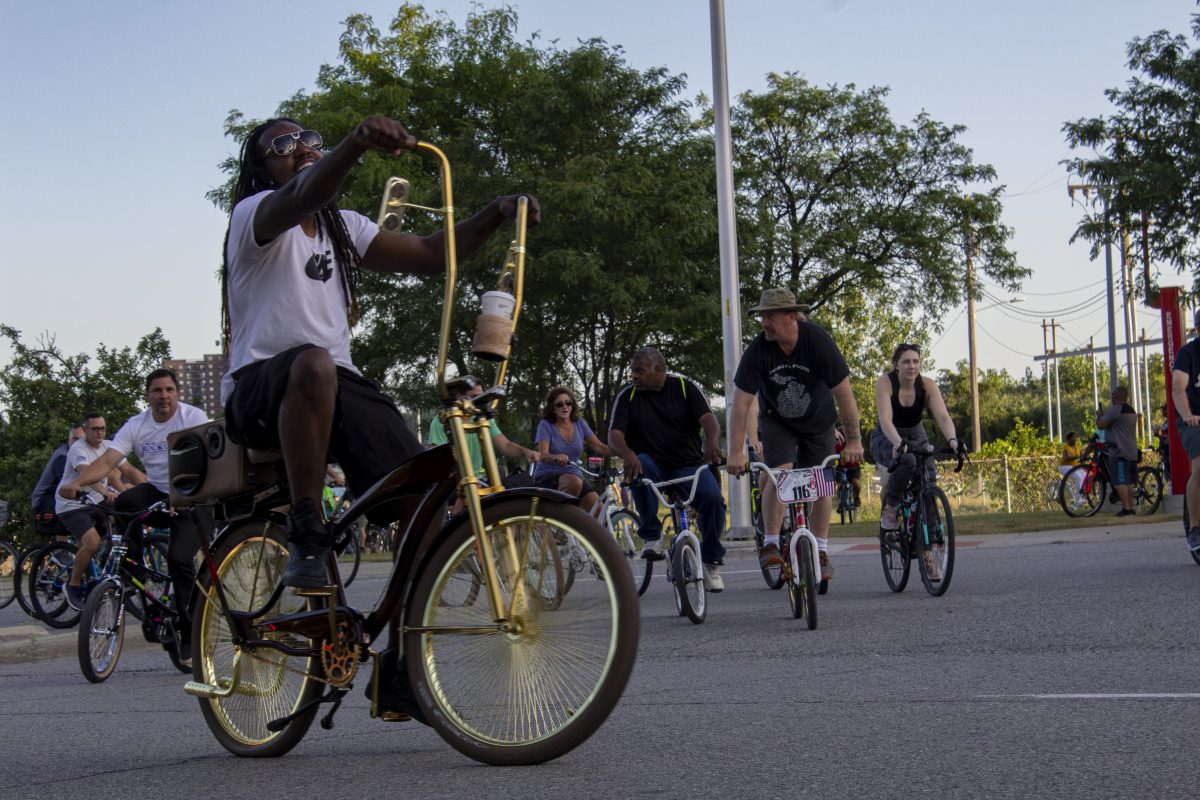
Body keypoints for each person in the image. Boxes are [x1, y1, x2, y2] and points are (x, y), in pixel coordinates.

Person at [217, 116, 539, 590]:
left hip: (335, 385)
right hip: (259, 392)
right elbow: (302, 196)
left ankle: (406, 632)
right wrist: (355, 144)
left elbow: (431, 254)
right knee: (313, 362)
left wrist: (496, 212)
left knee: (422, 486)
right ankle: (308, 534)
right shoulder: (255, 213)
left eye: (309, 140)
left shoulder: (343, 228)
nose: (301, 147)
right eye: (282, 145)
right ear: (262, 169)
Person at [727, 288, 864, 586]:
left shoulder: (817, 341)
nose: (764, 322)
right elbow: (740, 404)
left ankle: (821, 552)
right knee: (781, 474)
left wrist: (854, 441)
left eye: (770, 316)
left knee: (822, 479)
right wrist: (736, 450)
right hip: (778, 423)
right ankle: (772, 543)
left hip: (819, 422)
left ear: (791, 316)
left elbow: (844, 394)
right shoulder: (759, 350)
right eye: (762, 316)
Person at [61, 370, 208, 632]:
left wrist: (184, 495)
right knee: (125, 501)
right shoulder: (137, 425)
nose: (164, 396)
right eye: (157, 391)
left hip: (195, 497)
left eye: (169, 390)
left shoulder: (193, 418)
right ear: (148, 395)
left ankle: (190, 631)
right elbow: (107, 461)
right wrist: (76, 483)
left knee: (179, 560)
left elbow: (206, 460)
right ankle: (136, 569)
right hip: (159, 493)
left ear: (177, 392)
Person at [608, 347, 727, 591]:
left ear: (659, 370)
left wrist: (711, 441)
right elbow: (614, 435)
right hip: (652, 467)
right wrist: (627, 453)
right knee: (639, 464)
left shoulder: (684, 387)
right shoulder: (627, 396)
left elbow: (709, 420)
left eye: (640, 371)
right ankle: (652, 536)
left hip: (688, 466)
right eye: (633, 371)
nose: (634, 376)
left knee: (714, 499)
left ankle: (711, 561)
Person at [868, 343, 962, 579]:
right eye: (906, 362)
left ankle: (929, 556)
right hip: (887, 435)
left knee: (928, 484)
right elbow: (886, 420)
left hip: (916, 433)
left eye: (916, 361)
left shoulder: (927, 385)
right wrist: (898, 444)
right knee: (906, 462)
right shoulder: (885, 382)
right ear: (896, 366)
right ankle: (889, 511)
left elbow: (942, 415)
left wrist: (952, 440)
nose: (912, 366)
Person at [53, 414, 139, 609]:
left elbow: (128, 470)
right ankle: (73, 585)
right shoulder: (78, 449)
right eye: (95, 429)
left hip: (95, 502)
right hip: (72, 504)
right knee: (92, 542)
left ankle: (115, 567)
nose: (100, 432)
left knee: (127, 520)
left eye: (102, 428)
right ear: (86, 430)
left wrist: (148, 486)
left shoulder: (108, 446)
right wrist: (106, 491)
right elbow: (87, 474)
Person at [427, 374, 540, 479]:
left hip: (478, 481)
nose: (481, 403)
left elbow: (505, 445)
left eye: (482, 397)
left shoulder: (483, 418)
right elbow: (440, 461)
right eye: (475, 397)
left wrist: (526, 452)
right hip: (454, 482)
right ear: (460, 398)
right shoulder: (442, 421)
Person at [532, 385, 614, 512]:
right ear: (552, 408)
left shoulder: (579, 423)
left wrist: (623, 452)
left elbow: (599, 446)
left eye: (568, 403)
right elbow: (543, 455)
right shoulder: (546, 425)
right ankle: (559, 526)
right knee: (574, 483)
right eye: (559, 404)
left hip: (575, 475)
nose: (565, 407)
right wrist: (556, 457)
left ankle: (577, 529)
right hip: (548, 476)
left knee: (599, 512)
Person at [1172, 325, 1200, 550]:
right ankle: (1195, 528)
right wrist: (1188, 415)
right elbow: (1178, 388)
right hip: (1193, 419)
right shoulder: (1188, 354)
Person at [31, 422, 84, 535]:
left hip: (54, 498)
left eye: (81, 439)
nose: (77, 443)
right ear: (68, 440)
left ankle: (66, 549)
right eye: (75, 438)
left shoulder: (82, 454)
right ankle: (62, 551)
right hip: (44, 503)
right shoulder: (62, 456)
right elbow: (69, 481)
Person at [1096, 386, 1138, 517]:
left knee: (1120, 481)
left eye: (1113, 396)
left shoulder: (1116, 409)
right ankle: (1130, 507)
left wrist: (1099, 417)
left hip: (1119, 451)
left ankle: (1126, 508)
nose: (1112, 398)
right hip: (1132, 451)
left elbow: (1101, 425)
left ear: (1117, 397)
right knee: (1130, 482)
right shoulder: (1131, 410)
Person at [1058, 430, 1085, 499]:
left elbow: (1082, 456)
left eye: (1075, 437)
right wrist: (1077, 456)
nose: (1075, 439)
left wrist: (1083, 463)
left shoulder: (1078, 445)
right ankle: (1078, 498)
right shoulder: (1066, 446)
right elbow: (1067, 458)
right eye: (1073, 437)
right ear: (1069, 440)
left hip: (1074, 466)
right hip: (1064, 466)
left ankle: (1082, 495)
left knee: (1084, 476)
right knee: (1078, 477)